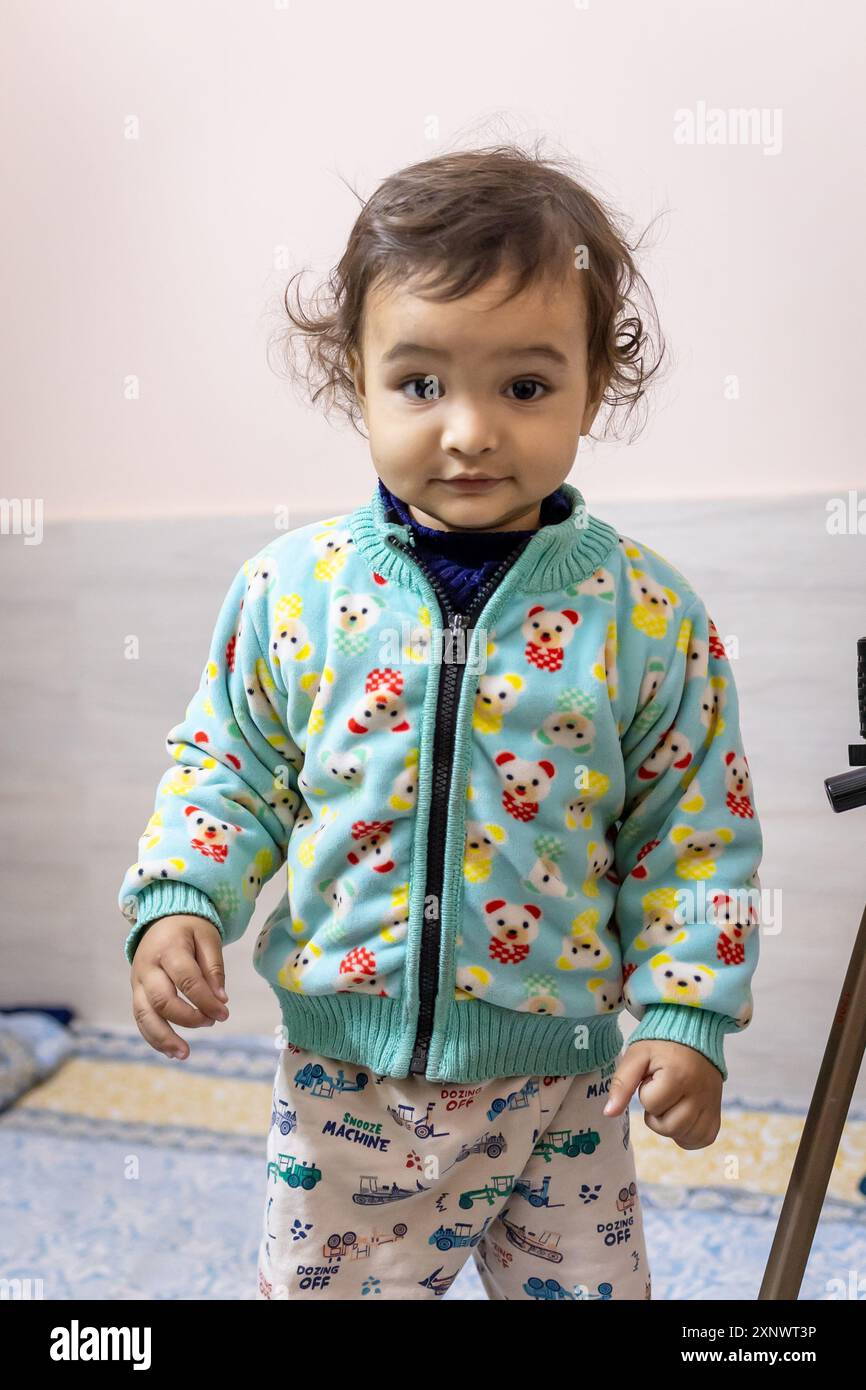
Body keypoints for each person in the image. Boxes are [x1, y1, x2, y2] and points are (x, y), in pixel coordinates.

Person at [118, 144, 764, 1301]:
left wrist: (684, 1009)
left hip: (566, 1087)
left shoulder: (647, 613)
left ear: (591, 388)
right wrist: (179, 897)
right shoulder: (291, 592)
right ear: (352, 378)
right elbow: (225, 765)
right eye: (420, 385)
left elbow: (698, 831)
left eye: (522, 387)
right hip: (345, 1083)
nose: (467, 430)